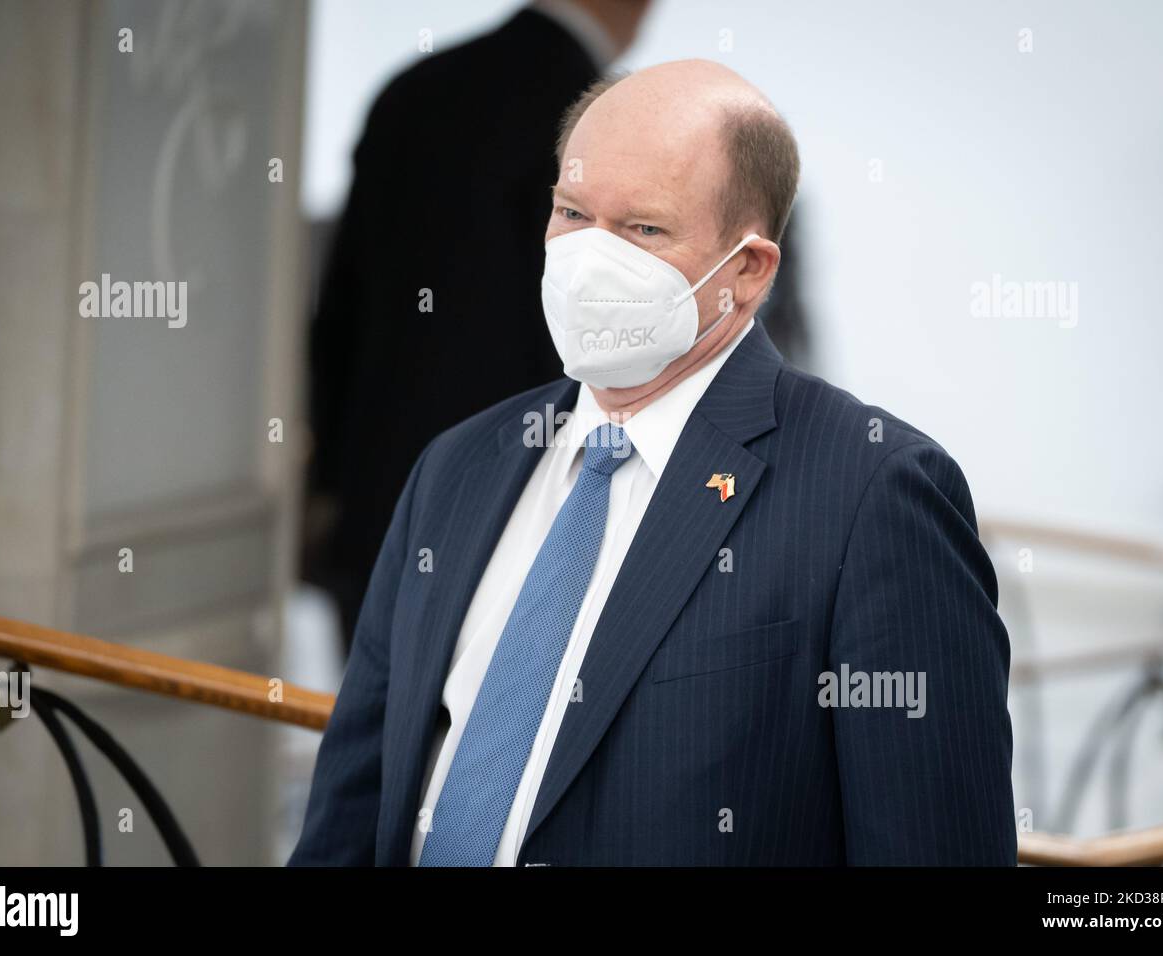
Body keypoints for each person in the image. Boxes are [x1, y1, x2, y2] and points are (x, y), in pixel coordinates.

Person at [290, 59, 1016, 866]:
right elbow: (352, 806)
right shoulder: (458, 467)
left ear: (746, 271)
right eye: (572, 212)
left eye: (644, 229)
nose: (588, 261)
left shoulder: (870, 495)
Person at [303, 0, 651, 648]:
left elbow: (338, 311)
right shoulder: (608, 125)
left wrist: (328, 487)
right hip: (526, 513)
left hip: (383, 504)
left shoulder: (411, 91)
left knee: (383, 739)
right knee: (509, 742)